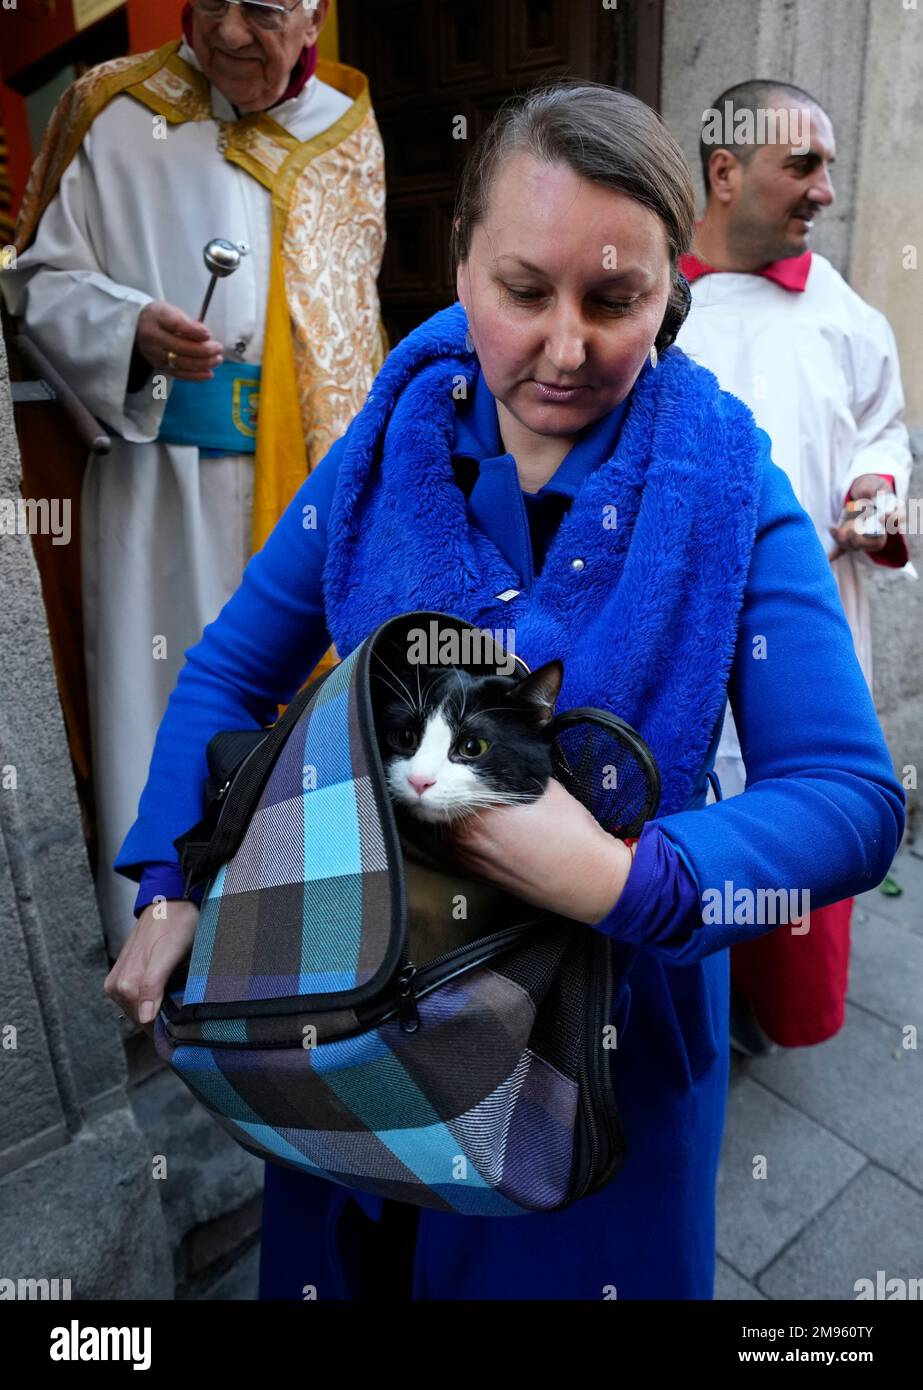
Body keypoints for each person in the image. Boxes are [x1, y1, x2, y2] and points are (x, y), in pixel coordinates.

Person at [105, 84, 904, 1300]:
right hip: (353, 992)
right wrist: (172, 878)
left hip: (602, 1035)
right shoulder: (379, 454)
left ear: (667, 296)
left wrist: (621, 876)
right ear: (460, 267)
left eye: (614, 299)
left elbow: (848, 798)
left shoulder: (726, 487)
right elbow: (229, 665)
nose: (565, 347)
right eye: (523, 292)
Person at [1, 0, 386, 955]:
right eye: (207, 1)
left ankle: (297, 943)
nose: (226, 33)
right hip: (156, 485)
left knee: (300, 711)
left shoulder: (346, 128)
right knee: (162, 697)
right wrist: (125, 329)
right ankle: (161, 942)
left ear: (313, 16)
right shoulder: (111, 106)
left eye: (260, 10)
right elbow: (35, 280)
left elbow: (354, 322)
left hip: (304, 490)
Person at [674, 79, 914, 1051]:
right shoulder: (652, 301)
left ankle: (766, 1013)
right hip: (680, 622)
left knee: (794, 805)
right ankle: (682, 1001)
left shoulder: (846, 313)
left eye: (827, 165)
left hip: (807, 615)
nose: (824, 190)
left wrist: (874, 487)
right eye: (801, 166)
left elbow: (881, 428)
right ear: (725, 170)